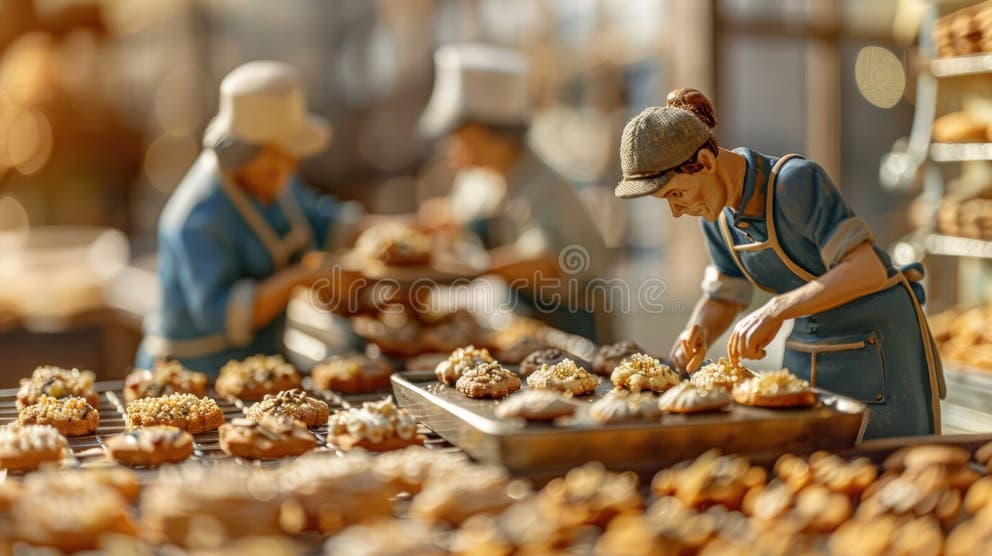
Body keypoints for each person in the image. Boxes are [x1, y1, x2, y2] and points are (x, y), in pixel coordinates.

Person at [614, 88, 944, 438]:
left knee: (887, 465)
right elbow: (726, 293)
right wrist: (697, 331)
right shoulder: (716, 218)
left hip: (877, 347)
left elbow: (866, 268)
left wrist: (776, 311)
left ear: (706, 163)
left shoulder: (794, 183)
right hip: (808, 345)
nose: (676, 212)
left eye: (677, 194)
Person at [136, 61, 363, 376]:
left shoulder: (275, 183)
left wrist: (401, 231)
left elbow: (327, 223)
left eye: (289, 163)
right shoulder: (196, 218)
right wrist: (301, 277)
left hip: (263, 365)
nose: (283, 174)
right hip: (196, 372)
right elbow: (223, 315)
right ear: (242, 155)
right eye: (272, 166)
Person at [418, 42, 609, 339]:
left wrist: (472, 270)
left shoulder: (545, 188)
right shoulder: (478, 180)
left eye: (457, 137)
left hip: (565, 331)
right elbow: (463, 215)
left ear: (486, 133)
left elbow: (546, 263)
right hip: (515, 326)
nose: (449, 148)